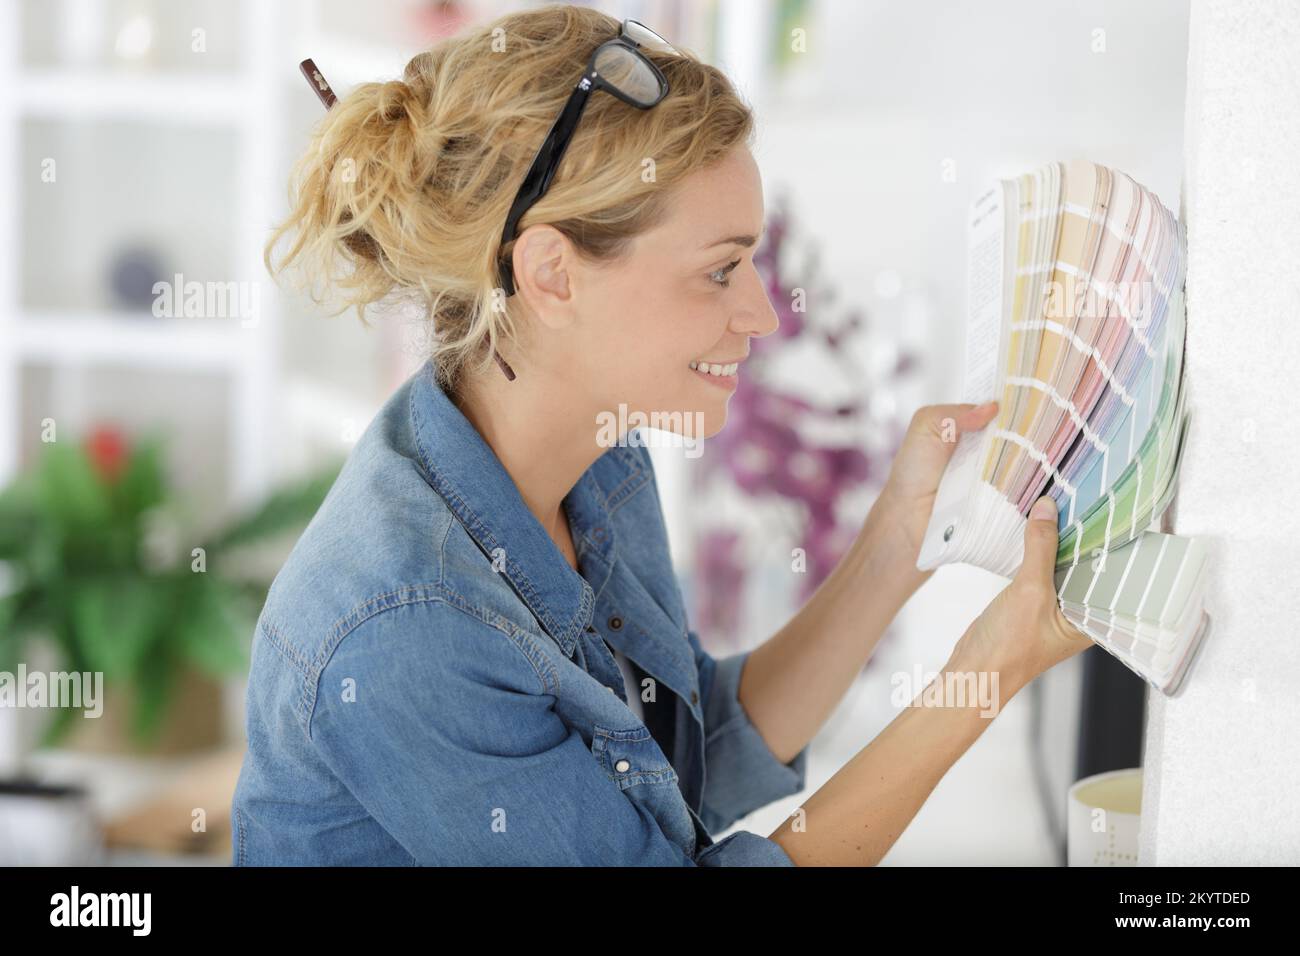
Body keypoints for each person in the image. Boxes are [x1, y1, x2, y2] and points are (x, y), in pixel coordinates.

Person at [230, 3, 1092, 866]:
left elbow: (689, 754)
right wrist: (989, 672)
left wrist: (904, 535)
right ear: (552, 274)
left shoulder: (599, 459)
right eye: (720, 270)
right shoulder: (405, 630)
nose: (759, 313)